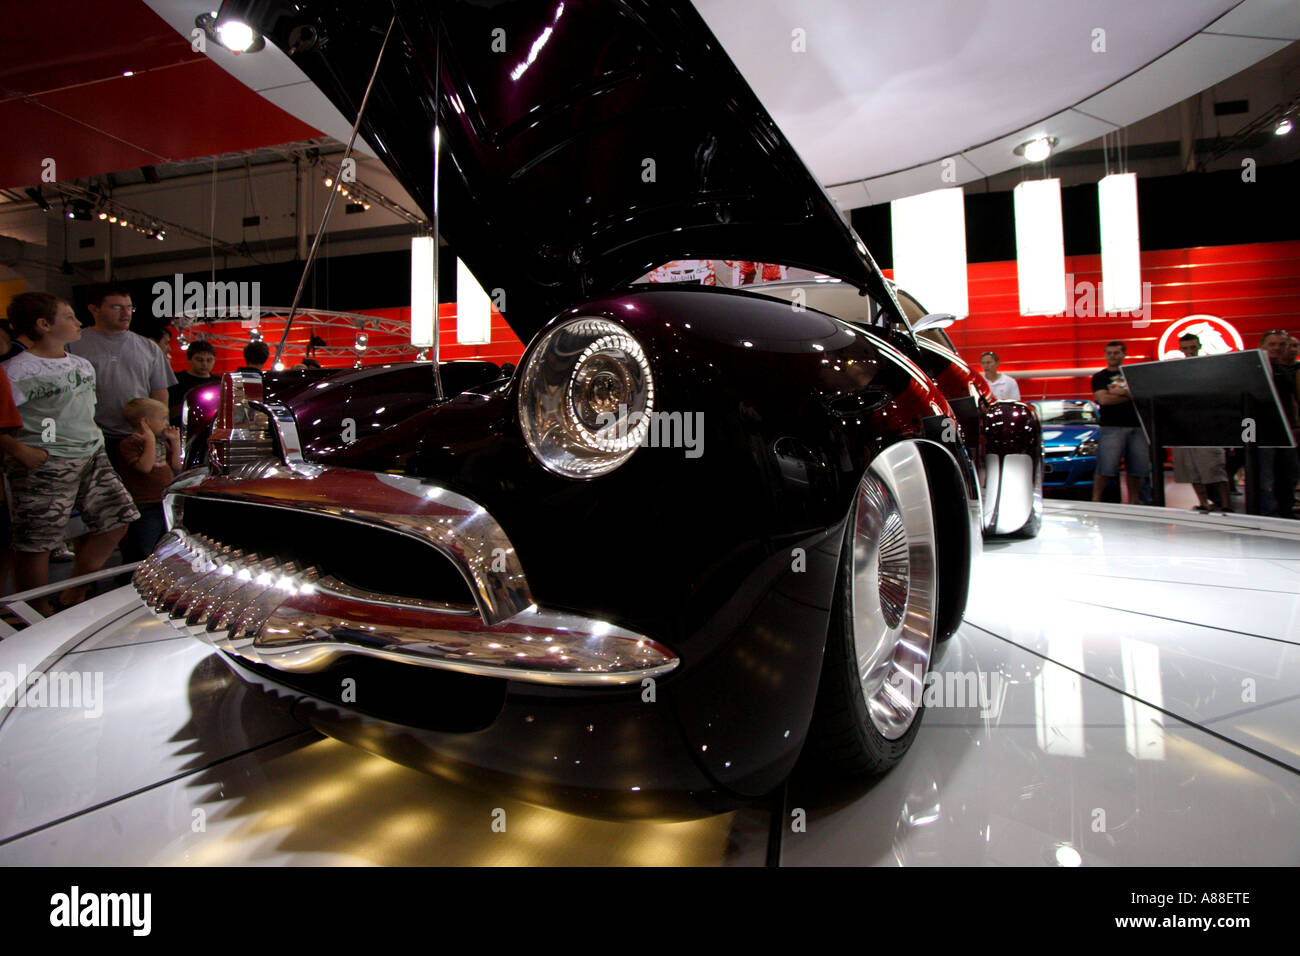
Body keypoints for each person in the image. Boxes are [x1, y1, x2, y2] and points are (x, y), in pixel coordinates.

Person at [0, 292, 138, 612]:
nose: (77, 322)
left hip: (91, 453)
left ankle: (77, 585)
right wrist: (20, 450)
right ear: (44, 324)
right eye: (69, 317)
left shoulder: (82, 365)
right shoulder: (15, 371)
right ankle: (35, 610)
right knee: (37, 541)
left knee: (119, 517)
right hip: (44, 460)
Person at [67, 284, 175, 464]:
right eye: (116, 307)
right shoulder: (73, 344)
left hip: (138, 436)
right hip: (90, 436)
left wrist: (158, 432)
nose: (126, 313)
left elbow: (159, 393)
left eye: (129, 307)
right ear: (94, 309)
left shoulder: (148, 348)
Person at [1168, 334, 1231, 511]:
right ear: (1181, 349)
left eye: (1192, 347)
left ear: (1199, 346)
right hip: (1183, 427)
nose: (1190, 351)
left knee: (1213, 466)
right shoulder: (1175, 371)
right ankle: (1204, 503)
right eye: (1186, 348)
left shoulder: (1209, 368)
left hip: (1207, 426)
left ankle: (1226, 505)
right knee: (1190, 468)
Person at [114, 398, 181, 561]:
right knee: (143, 547)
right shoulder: (130, 443)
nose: (166, 423)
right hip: (144, 504)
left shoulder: (161, 443)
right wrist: (149, 440)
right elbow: (145, 467)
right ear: (145, 421)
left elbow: (176, 464)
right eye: (162, 418)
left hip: (162, 501)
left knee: (163, 544)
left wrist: (175, 440)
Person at [1090, 340, 1150, 504]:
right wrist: (1129, 395)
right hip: (1111, 427)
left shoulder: (1133, 376)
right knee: (1105, 467)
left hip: (1137, 427)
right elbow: (1103, 399)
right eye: (1109, 353)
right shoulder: (1100, 377)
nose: (1112, 356)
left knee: (1137, 468)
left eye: (1116, 353)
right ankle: (1096, 501)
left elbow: (1142, 395)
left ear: (1124, 354)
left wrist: (1120, 392)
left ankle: (1134, 501)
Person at [1258, 330, 1299, 518]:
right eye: (1272, 344)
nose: (1277, 348)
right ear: (1263, 346)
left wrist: (1295, 426)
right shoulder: (1256, 370)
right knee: (1265, 475)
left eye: (1281, 345)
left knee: (1289, 472)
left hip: (1285, 431)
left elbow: (1291, 401)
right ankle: (1269, 512)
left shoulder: (1285, 372)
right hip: (1261, 432)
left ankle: (1285, 509)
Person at [168, 340, 217, 423]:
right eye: (199, 360)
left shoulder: (218, 383)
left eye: (209, 360)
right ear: (189, 359)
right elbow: (168, 412)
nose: (204, 364)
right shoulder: (176, 380)